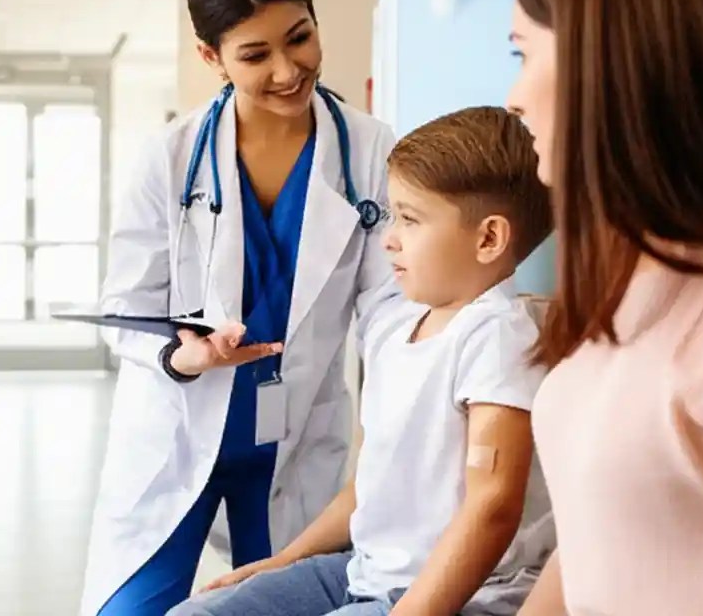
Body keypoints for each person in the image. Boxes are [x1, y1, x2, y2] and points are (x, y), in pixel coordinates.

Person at [79, 0, 400, 616]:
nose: (288, 70)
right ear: (211, 56)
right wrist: (180, 354)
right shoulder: (168, 159)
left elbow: (393, 311)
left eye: (300, 37)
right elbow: (124, 306)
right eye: (255, 54)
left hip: (297, 439)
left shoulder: (371, 152)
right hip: (178, 435)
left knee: (275, 606)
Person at [169, 106, 556, 616]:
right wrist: (282, 561)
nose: (389, 237)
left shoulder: (498, 336)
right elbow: (371, 485)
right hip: (363, 573)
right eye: (393, 215)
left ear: (488, 238)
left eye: (411, 220)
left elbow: (494, 506)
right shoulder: (397, 328)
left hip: (457, 597)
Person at [505, 0, 703, 614]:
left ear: (613, 62)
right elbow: (604, 540)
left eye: (522, 52)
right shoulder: (634, 284)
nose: (514, 96)